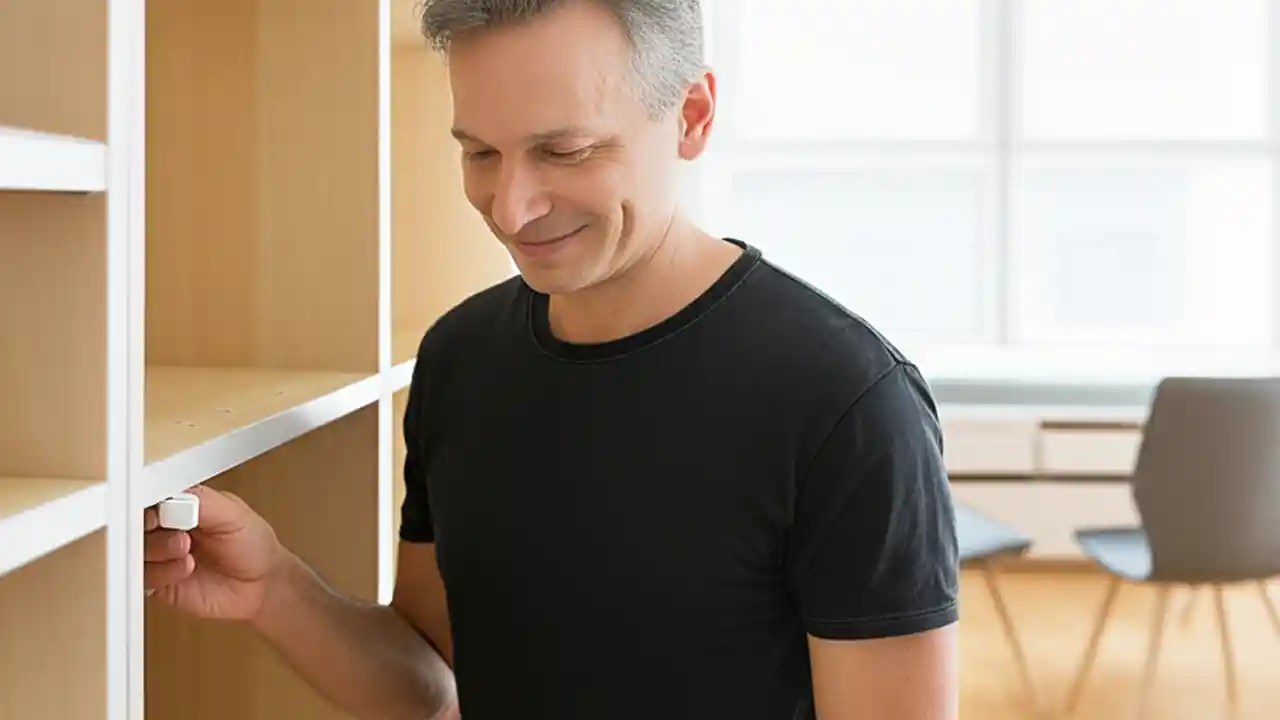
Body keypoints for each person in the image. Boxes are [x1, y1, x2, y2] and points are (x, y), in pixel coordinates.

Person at [142, 0, 960, 718]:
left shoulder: (846, 404)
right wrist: (275, 587)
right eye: (480, 154)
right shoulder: (459, 361)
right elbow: (429, 687)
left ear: (692, 115)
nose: (512, 208)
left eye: (564, 151)